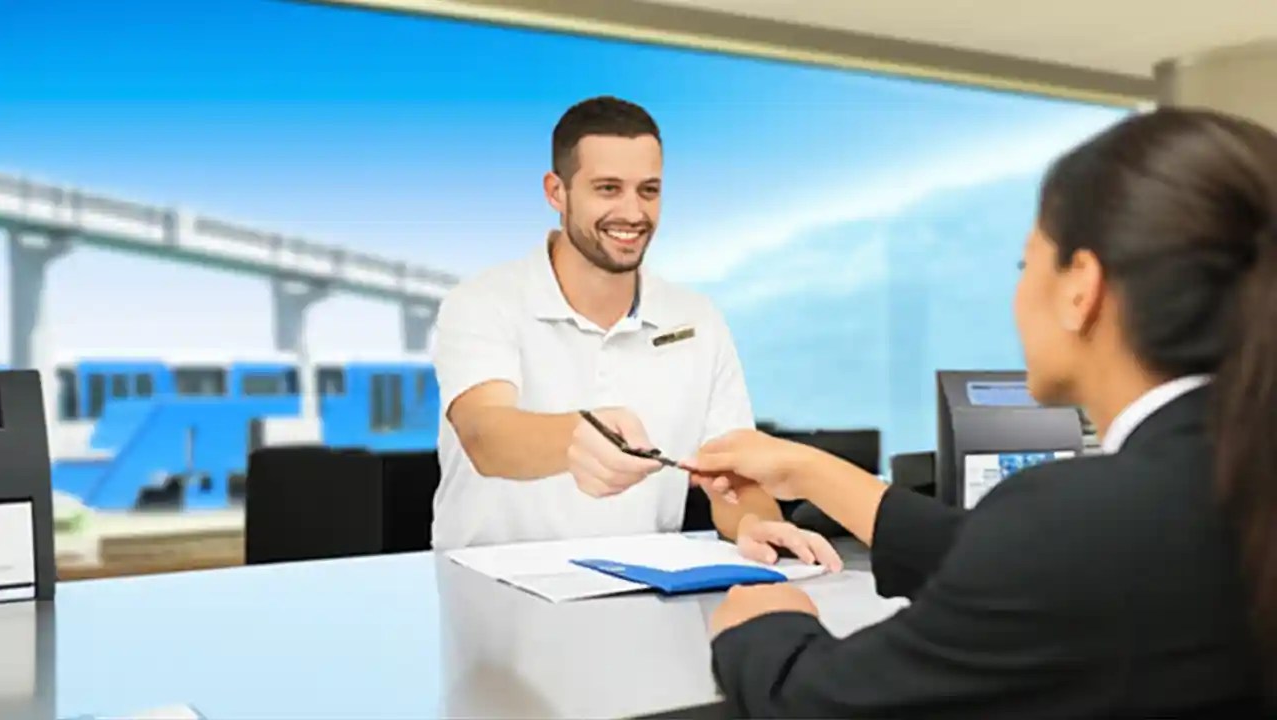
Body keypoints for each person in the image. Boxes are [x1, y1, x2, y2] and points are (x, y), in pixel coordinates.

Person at [688, 107, 1276, 717]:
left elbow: (819, 706)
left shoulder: (1085, 522)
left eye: (1028, 265)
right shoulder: (1215, 481)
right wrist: (810, 471)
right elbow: (1022, 560)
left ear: (1082, 289)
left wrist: (765, 628)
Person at [430, 95, 839, 571]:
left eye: (648, 190)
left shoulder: (698, 319)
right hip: (493, 592)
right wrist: (576, 437)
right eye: (608, 189)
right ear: (555, 192)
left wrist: (754, 523)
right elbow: (484, 434)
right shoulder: (481, 302)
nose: (633, 212)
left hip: (645, 589)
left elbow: (734, 475)